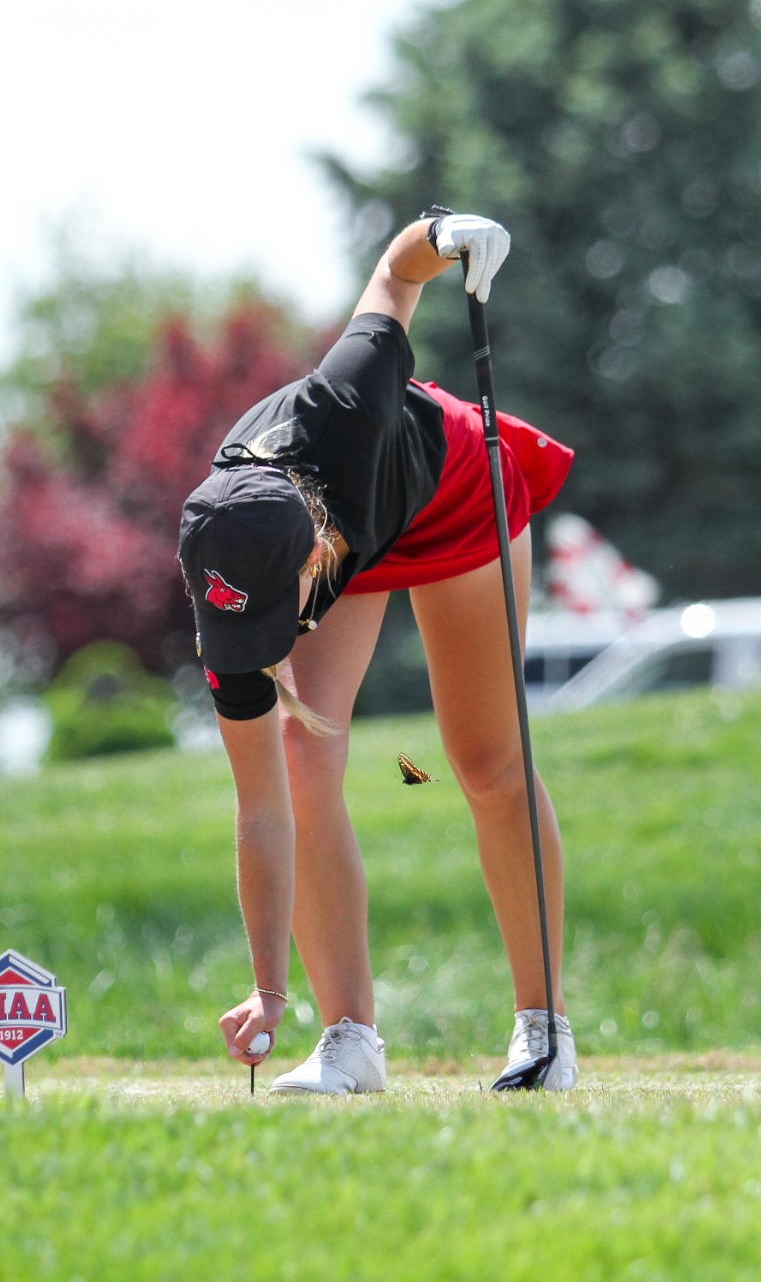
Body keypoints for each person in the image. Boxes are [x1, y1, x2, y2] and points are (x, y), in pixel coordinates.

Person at [179, 208, 578, 1093]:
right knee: (300, 752)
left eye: (275, 628)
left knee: (484, 758)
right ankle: (348, 1039)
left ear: (312, 561)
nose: (266, 653)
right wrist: (267, 989)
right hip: (342, 528)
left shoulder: (346, 396)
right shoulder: (225, 562)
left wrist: (446, 236)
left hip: (451, 487)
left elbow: (397, 273)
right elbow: (260, 809)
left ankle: (543, 1028)